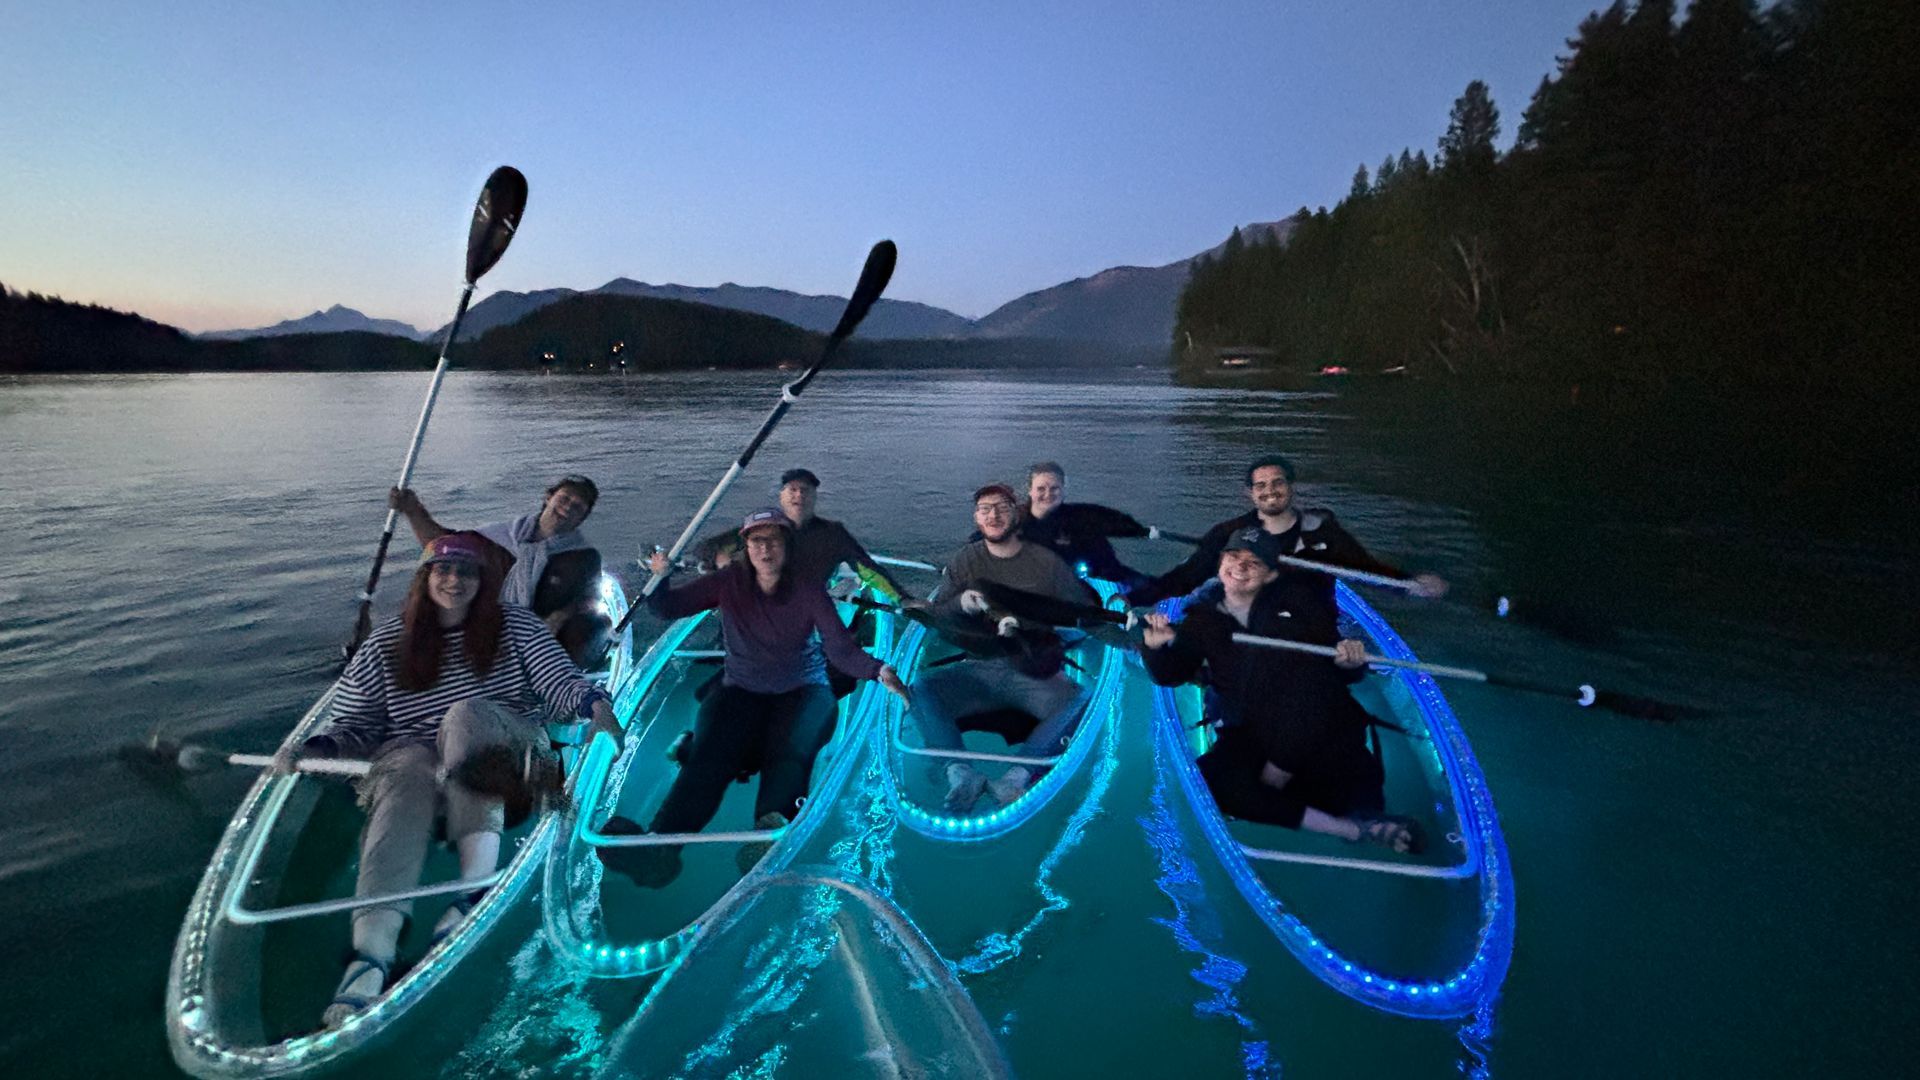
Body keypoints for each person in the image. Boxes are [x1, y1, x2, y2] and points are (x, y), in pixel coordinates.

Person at [278, 532, 621, 1029]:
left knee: (463, 716)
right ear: (424, 579)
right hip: (428, 764)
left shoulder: (517, 627)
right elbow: (354, 723)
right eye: (443, 570)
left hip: (511, 754)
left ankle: (474, 886)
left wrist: (594, 705)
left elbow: (559, 681)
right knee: (404, 767)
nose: (454, 580)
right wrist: (318, 749)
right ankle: (372, 953)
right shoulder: (387, 643)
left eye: (466, 572)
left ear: (483, 582)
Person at [599, 509, 908, 888]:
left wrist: (878, 669)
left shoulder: (808, 588)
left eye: (773, 541)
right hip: (745, 690)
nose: (765, 549)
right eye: (756, 541)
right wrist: (660, 578)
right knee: (707, 760)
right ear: (747, 548)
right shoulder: (730, 582)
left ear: (786, 546)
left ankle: (771, 832)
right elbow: (668, 608)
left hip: (803, 689)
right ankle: (661, 846)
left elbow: (841, 650)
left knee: (790, 750)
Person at [1138, 529, 1422, 852]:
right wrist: (1154, 649)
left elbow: (1330, 678)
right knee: (1208, 783)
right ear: (1220, 563)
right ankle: (1351, 828)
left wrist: (1349, 662)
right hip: (1249, 729)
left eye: (1254, 562)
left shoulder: (1301, 611)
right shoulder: (1201, 619)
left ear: (1271, 574)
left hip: (1313, 723)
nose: (1240, 567)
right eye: (1233, 557)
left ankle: (1356, 815)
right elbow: (1171, 675)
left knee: (1337, 764)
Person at [908, 483, 1100, 813]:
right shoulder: (966, 561)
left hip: (1029, 670)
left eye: (1002, 508)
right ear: (976, 518)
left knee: (1080, 699)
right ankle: (959, 771)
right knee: (920, 688)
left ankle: (1016, 776)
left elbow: (1081, 611)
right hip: (980, 669)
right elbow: (940, 616)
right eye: (985, 509)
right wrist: (960, 604)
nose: (993, 515)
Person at [1126, 455, 1448, 607]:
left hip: (1310, 623)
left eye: (1278, 482)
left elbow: (1364, 568)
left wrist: (1409, 584)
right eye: (1261, 486)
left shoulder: (1323, 531)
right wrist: (1136, 598)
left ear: (1291, 487)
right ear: (1250, 494)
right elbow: (1188, 576)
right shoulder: (1229, 534)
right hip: (1251, 622)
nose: (1270, 491)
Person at [389, 475, 610, 663]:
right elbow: (443, 544)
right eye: (564, 499)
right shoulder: (499, 539)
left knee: (595, 625)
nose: (567, 508)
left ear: (583, 518)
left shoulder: (584, 557)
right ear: (548, 497)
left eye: (577, 507)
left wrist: (560, 616)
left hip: (543, 639)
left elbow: (589, 600)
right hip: (486, 624)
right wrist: (413, 510)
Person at [690, 468, 913, 600]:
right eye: (792, 490)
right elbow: (703, 548)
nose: (799, 496)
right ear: (781, 496)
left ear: (815, 496)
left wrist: (903, 598)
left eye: (805, 490)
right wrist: (721, 558)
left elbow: (868, 570)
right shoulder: (760, 528)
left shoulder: (832, 534)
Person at [1014, 461, 1149, 592]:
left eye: (1054, 488)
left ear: (1063, 489)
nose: (1048, 494)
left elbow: (1108, 563)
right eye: (1041, 489)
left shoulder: (1080, 519)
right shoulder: (1015, 523)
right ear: (1030, 491)